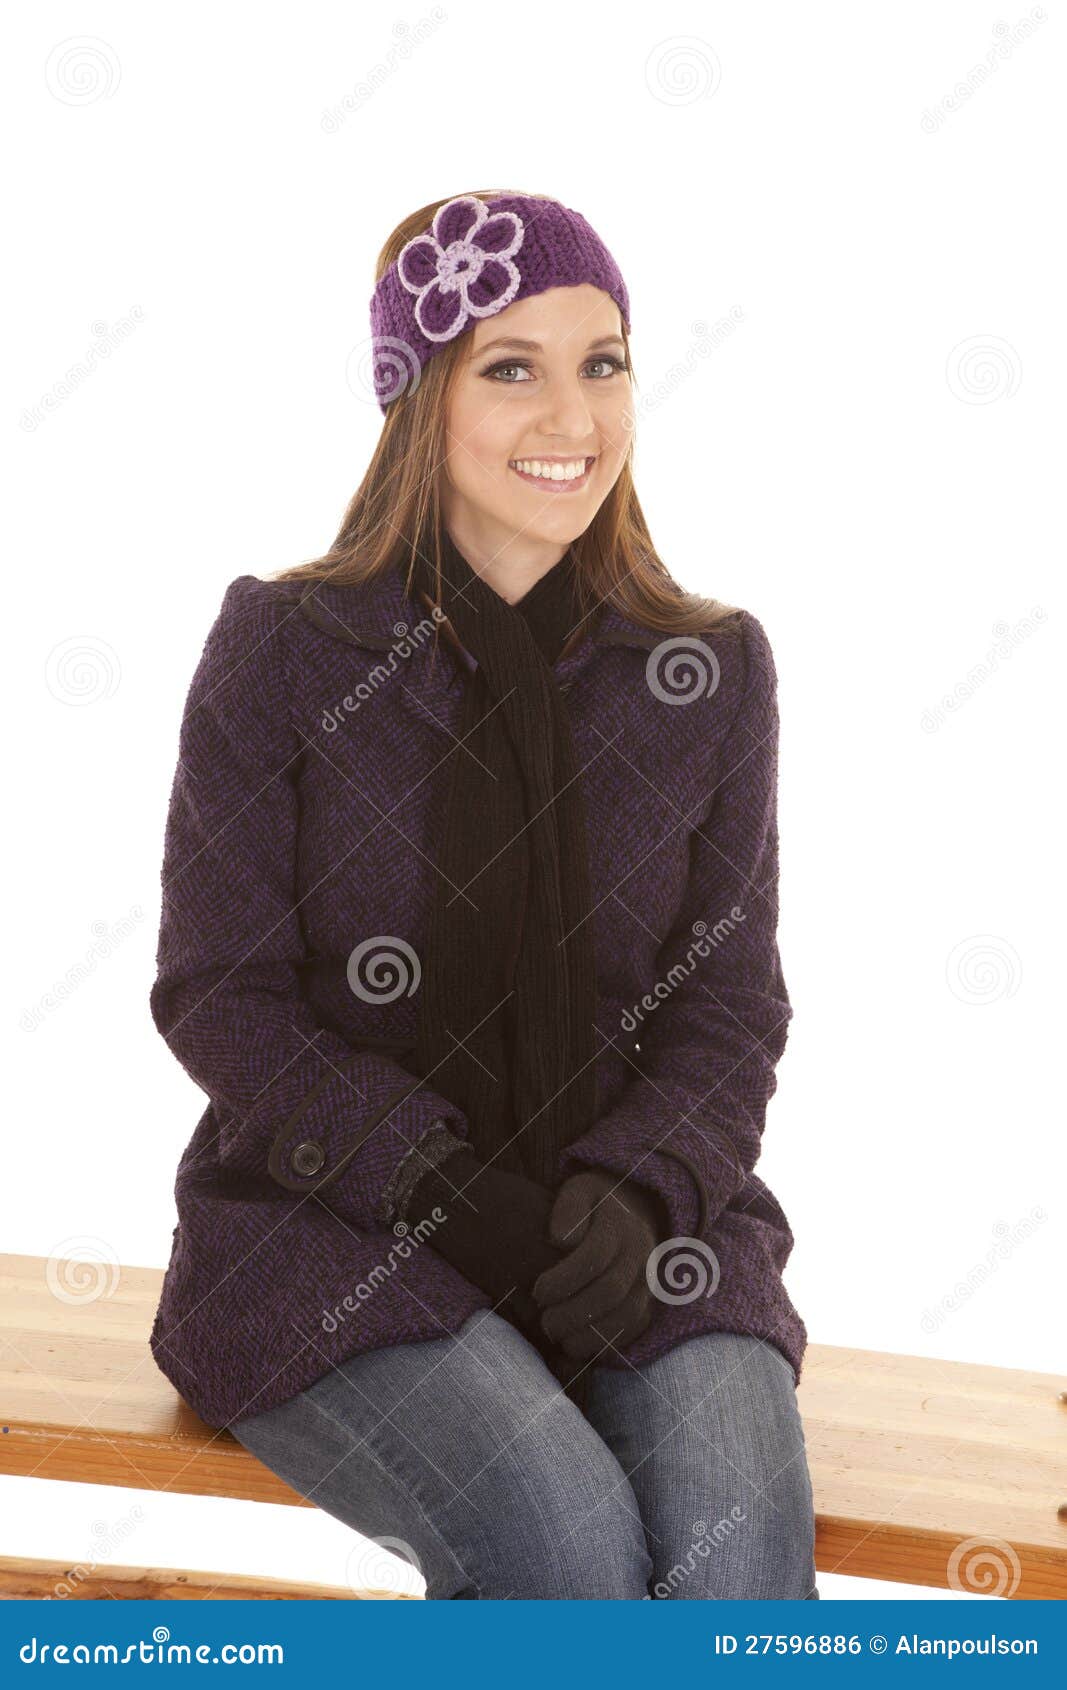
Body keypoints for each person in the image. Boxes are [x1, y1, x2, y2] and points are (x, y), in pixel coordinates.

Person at [148, 188, 818, 1600]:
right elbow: (224, 992)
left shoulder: (707, 674)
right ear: (421, 398)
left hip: (637, 1229)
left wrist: (639, 1195)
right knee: (564, 1546)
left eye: (603, 361)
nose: (570, 415)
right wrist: (443, 1189)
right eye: (511, 366)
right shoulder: (290, 649)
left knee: (737, 1565)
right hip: (331, 1234)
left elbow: (730, 1002)